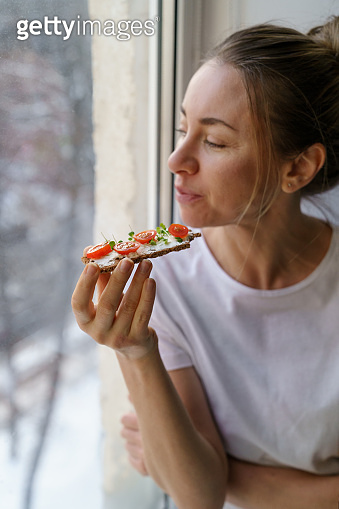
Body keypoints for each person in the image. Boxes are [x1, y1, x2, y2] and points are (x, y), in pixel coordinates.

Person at [72, 16, 339, 509]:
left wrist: (227, 474)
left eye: (214, 142)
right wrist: (135, 353)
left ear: (297, 168)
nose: (177, 159)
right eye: (182, 128)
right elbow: (198, 496)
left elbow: (210, 483)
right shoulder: (161, 281)